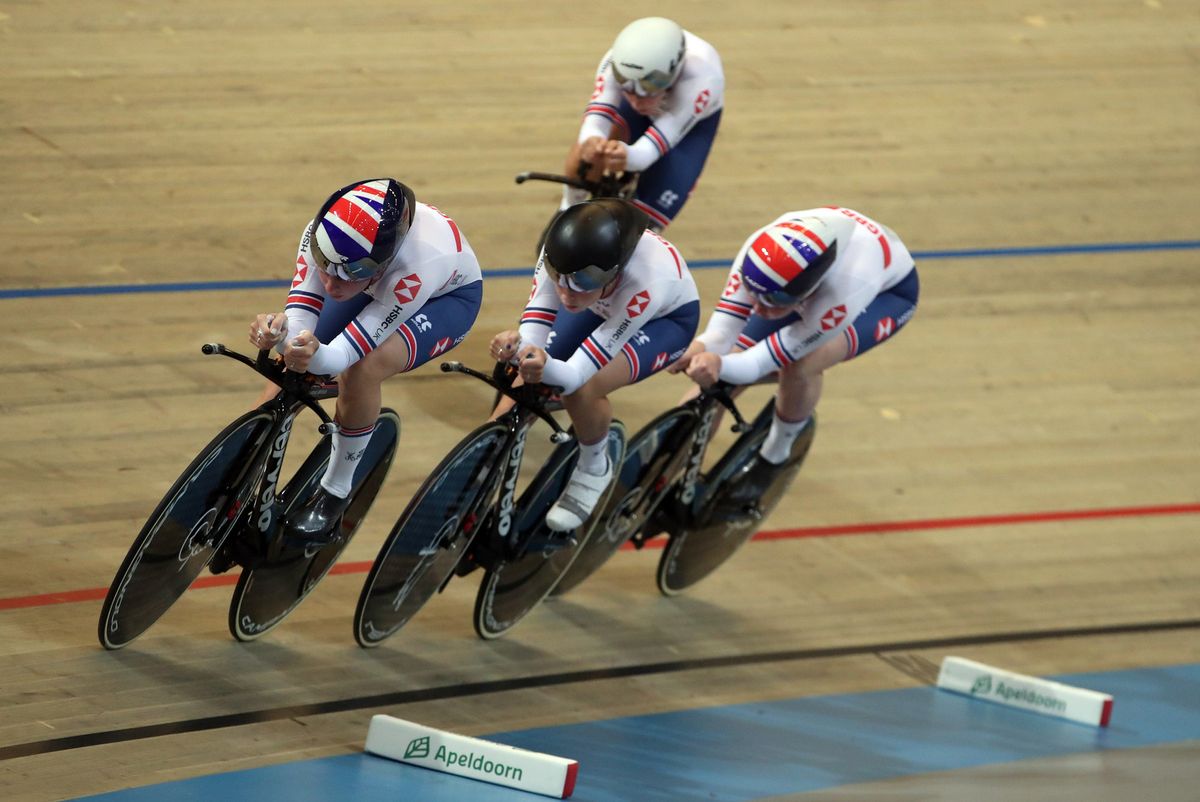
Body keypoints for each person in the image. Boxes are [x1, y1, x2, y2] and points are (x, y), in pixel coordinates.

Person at [249, 178, 484, 542]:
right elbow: (301, 318)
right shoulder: (324, 236)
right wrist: (281, 335)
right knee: (285, 371)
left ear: (383, 262)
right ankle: (237, 472)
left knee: (361, 370)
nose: (331, 283)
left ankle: (335, 493)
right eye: (324, 265)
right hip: (377, 284)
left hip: (446, 301)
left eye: (351, 271)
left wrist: (311, 352)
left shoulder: (418, 266)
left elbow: (339, 357)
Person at [669, 206, 919, 502]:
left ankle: (773, 457)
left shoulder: (844, 291)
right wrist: (696, 349)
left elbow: (756, 362)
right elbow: (722, 334)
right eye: (753, 292)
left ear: (808, 292)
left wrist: (719, 364)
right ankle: (659, 467)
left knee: (800, 364)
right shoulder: (759, 255)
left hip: (884, 297)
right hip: (794, 281)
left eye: (773, 301)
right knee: (715, 380)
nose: (760, 309)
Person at [490, 198, 700, 532]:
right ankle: (480, 469)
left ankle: (594, 467)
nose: (566, 292)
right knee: (517, 392)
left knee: (582, 391)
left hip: (662, 324)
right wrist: (519, 348)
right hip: (601, 306)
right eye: (558, 277)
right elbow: (537, 323)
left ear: (614, 272)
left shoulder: (648, 282)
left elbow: (574, 376)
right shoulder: (560, 257)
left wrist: (540, 364)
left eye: (582, 282)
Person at [555, 16, 724, 233]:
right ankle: (567, 210)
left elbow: (645, 154)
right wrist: (592, 142)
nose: (636, 100)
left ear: (675, 69)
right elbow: (594, 123)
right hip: (647, 116)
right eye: (627, 87)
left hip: (686, 128)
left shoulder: (703, 79)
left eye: (650, 87)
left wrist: (626, 155)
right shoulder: (615, 63)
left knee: (643, 231)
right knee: (584, 156)